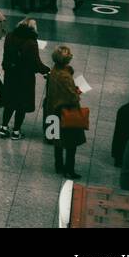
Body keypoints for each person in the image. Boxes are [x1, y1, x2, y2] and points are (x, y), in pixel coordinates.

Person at [0, 18, 48, 138]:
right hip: (25, 77)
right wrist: (47, 71)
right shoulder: (31, 42)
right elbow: (36, 62)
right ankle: (16, 131)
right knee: (21, 104)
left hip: (10, 74)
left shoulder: (10, 36)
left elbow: (6, 54)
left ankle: (4, 127)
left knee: (10, 102)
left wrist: (6, 66)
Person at [45, 45, 86, 180]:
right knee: (70, 143)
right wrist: (78, 91)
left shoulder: (53, 71)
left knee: (57, 140)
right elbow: (72, 97)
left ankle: (58, 165)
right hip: (66, 112)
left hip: (53, 110)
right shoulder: (65, 77)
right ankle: (69, 170)